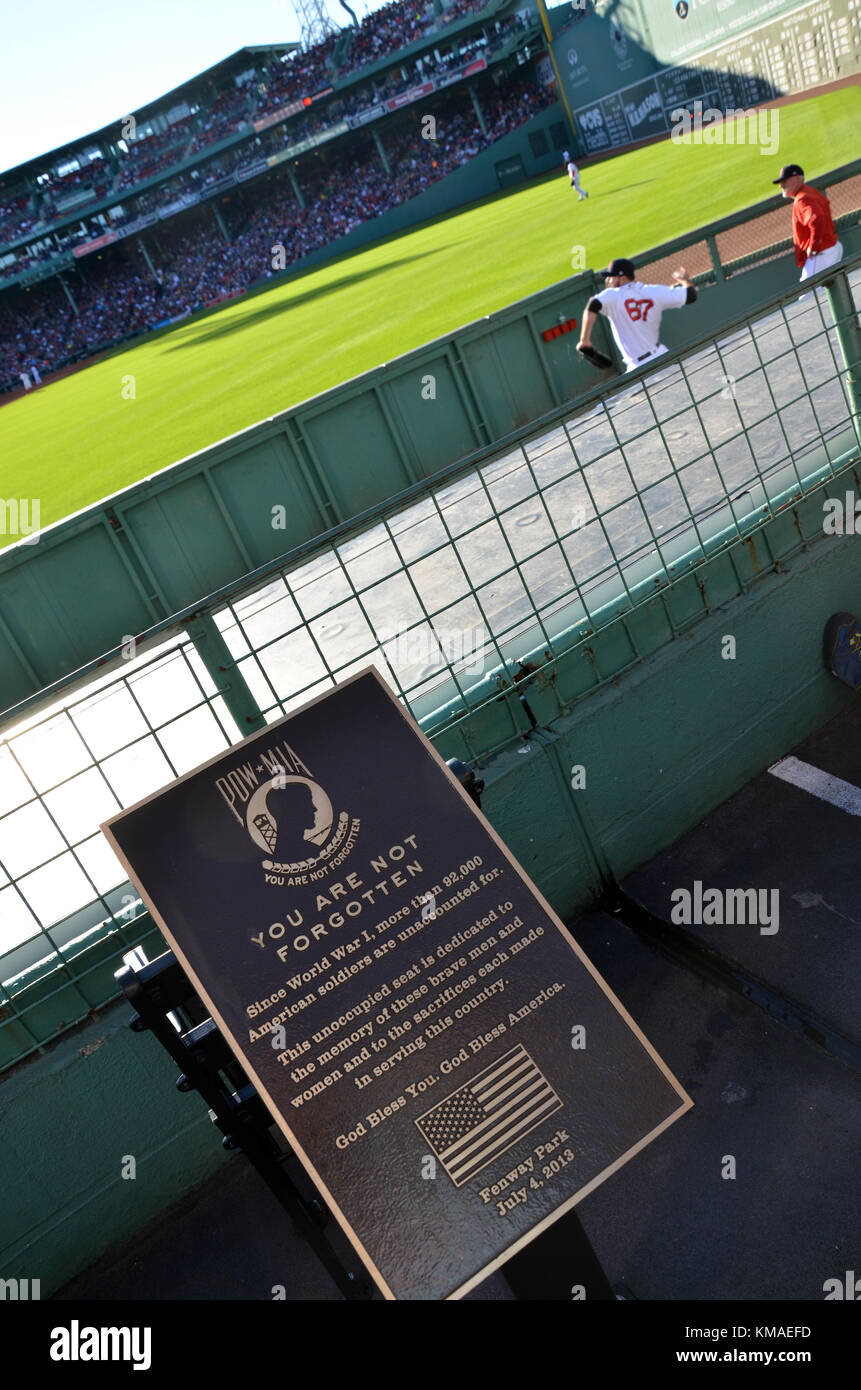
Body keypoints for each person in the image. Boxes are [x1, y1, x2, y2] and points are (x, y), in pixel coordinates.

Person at [577, 257, 697, 373]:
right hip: (663, 357)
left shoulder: (613, 296)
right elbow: (691, 295)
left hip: (639, 367)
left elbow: (593, 305)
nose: (608, 280)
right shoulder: (653, 291)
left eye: (611, 277)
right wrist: (685, 281)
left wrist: (584, 340)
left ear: (623, 278)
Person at [773, 163, 842, 284]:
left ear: (797, 178)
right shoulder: (810, 192)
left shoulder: (803, 199)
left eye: (785, 181)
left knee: (807, 298)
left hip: (821, 254)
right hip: (830, 248)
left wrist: (813, 246)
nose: (781, 185)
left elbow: (817, 218)